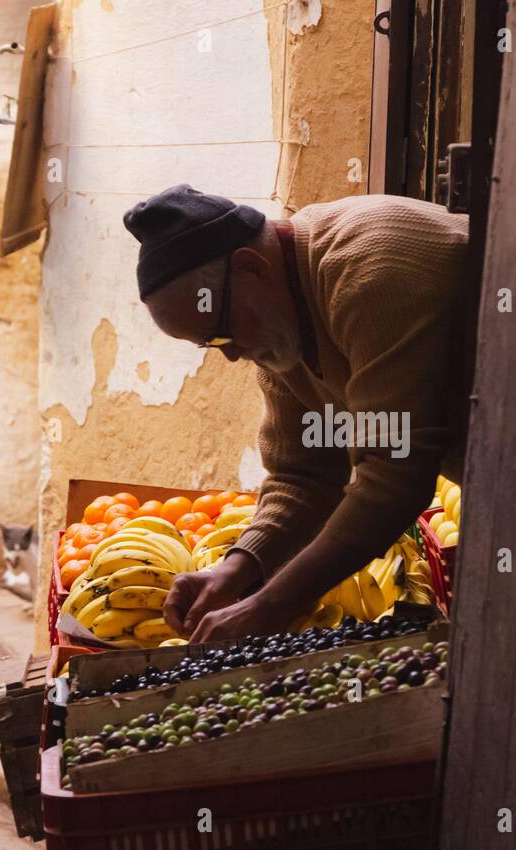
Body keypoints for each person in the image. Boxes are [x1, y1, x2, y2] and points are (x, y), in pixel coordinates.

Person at [122, 184, 470, 644]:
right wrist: (238, 567)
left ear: (251, 267)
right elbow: (305, 474)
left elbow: (394, 476)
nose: (231, 356)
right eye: (212, 346)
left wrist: (270, 605)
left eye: (223, 334)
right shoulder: (278, 330)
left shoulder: (371, 270)